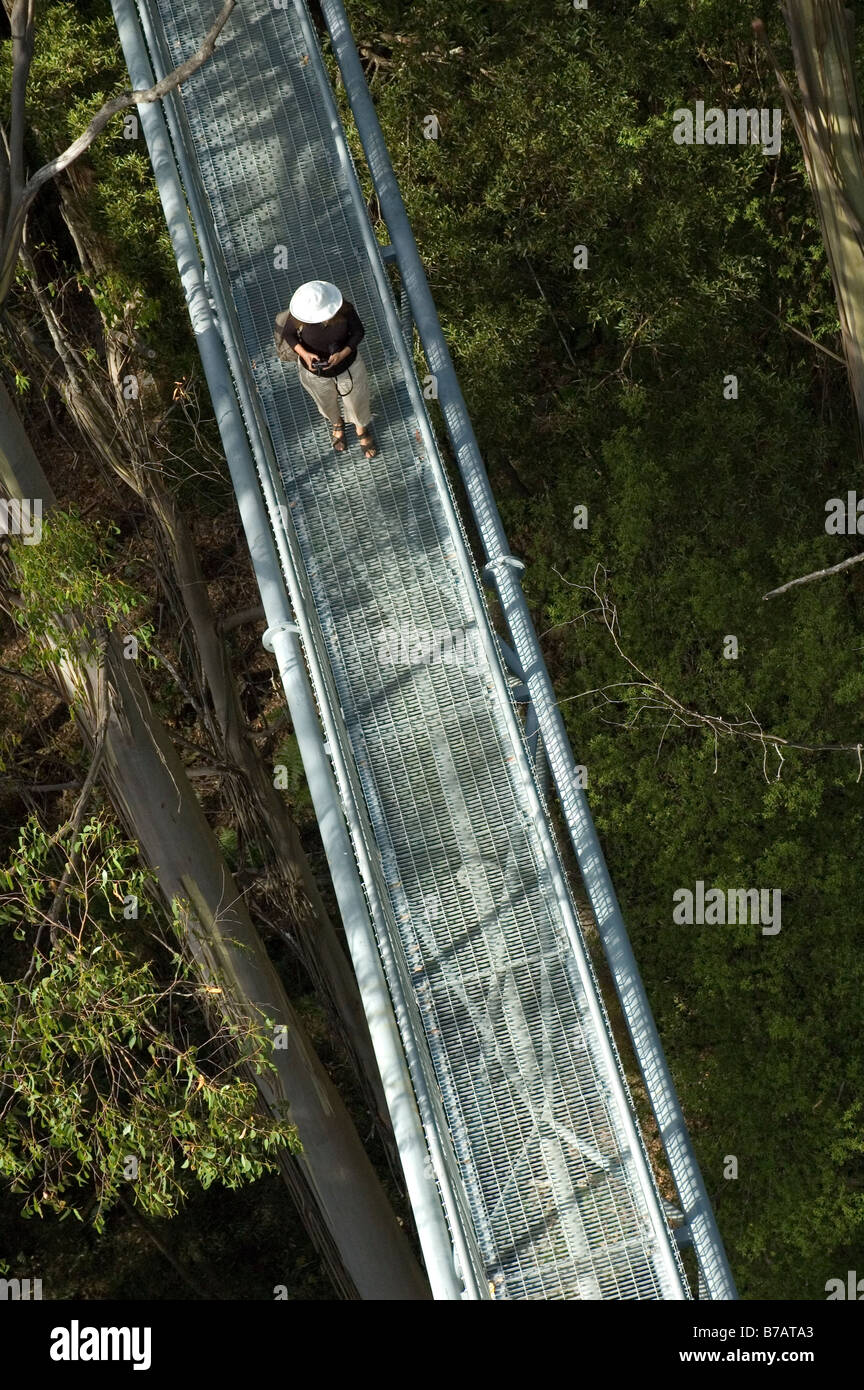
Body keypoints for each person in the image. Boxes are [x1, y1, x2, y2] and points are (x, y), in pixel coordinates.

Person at [274, 280, 377, 457]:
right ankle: (337, 422)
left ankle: (360, 428)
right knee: (324, 401)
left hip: (348, 365)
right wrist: (305, 354)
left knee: (356, 398)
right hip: (313, 370)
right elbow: (289, 335)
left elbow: (358, 332)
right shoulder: (299, 315)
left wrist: (342, 355)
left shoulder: (345, 309)